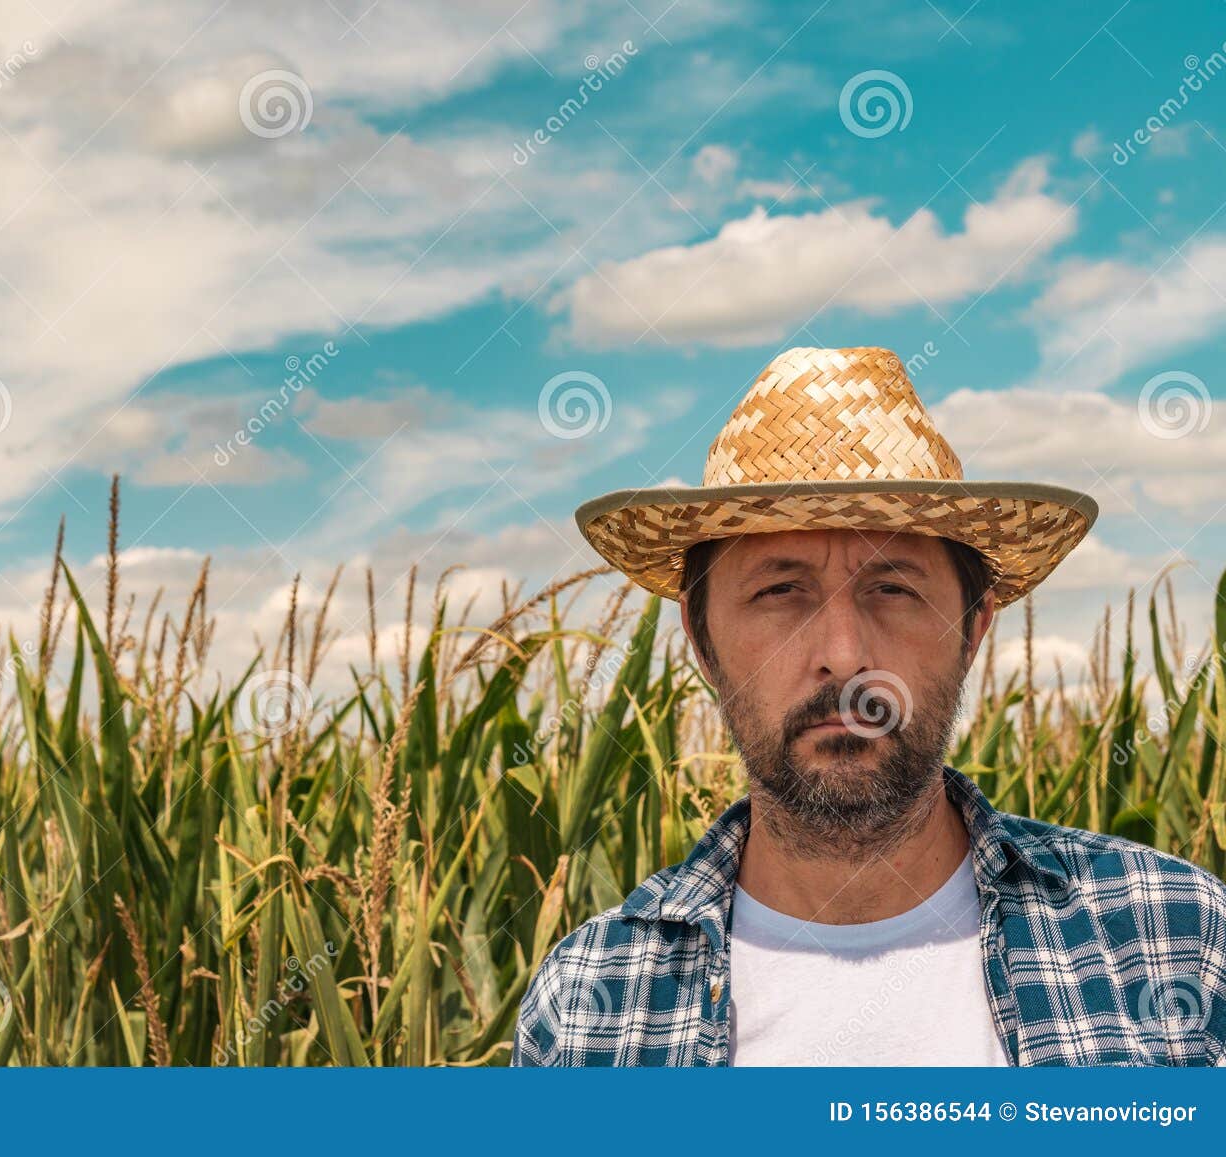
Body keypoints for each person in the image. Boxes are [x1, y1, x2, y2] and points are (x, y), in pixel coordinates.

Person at [512, 345, 1226, 1066]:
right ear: (704, 643)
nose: (845, 653)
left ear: (972, 629)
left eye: (893, 587)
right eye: (779, 590)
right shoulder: (587, 1008)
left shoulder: (1174, 941)